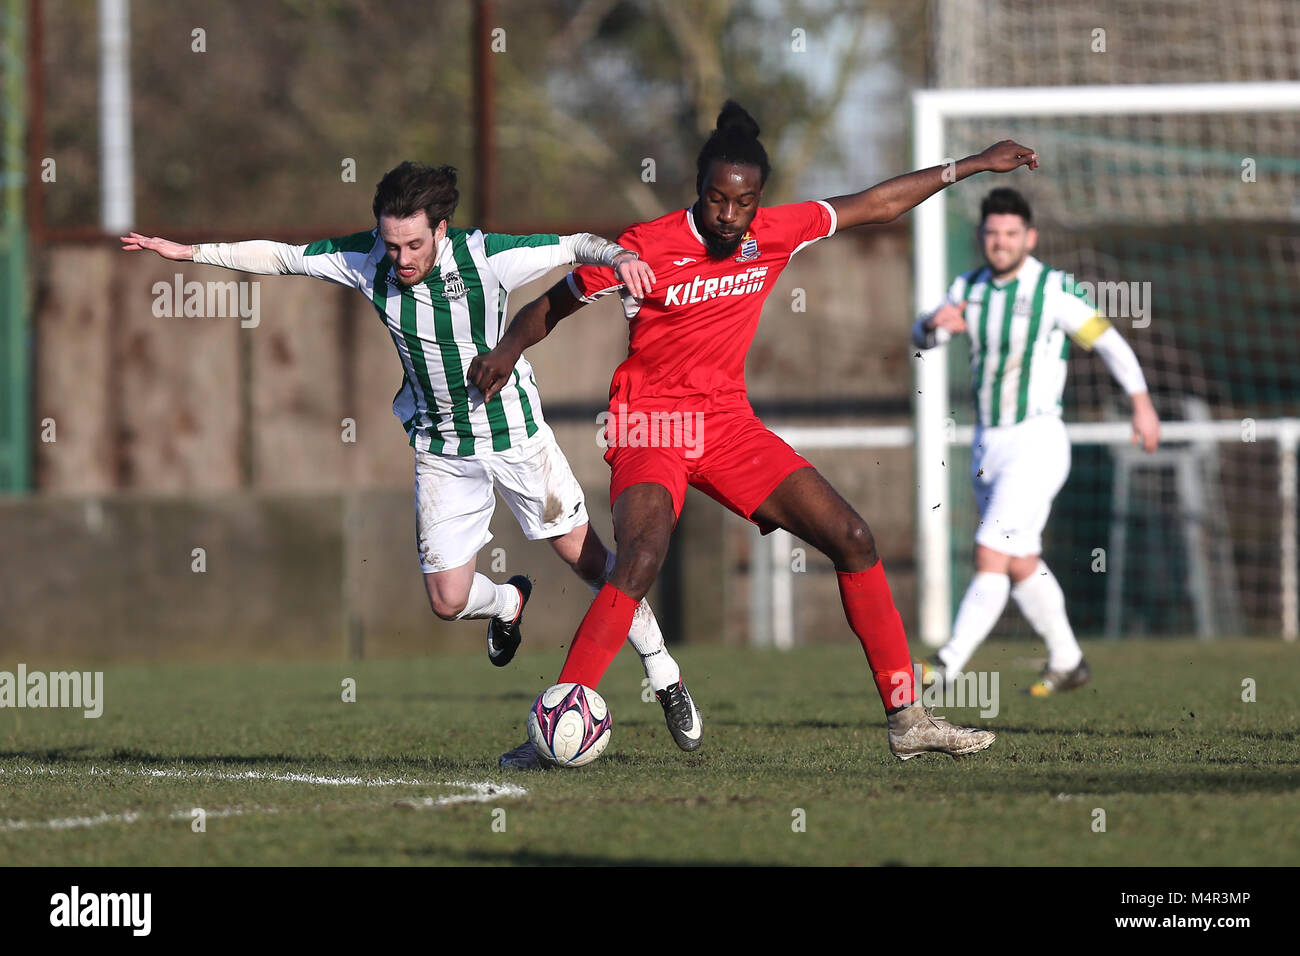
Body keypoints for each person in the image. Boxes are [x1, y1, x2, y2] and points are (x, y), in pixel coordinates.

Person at [469, 103, 1039, 760]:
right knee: (641, 556)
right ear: (699, 190)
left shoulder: (773, 233)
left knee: (852, 537)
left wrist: (971, 165)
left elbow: (877, 203)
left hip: (727, 426)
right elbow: (551, 303)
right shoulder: (645, 247)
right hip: (650, 424)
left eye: (743, 202)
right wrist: (507, 350)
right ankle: (559, 719)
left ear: (758, 200)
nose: (729, 215)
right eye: (717, 199)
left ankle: (907, 718)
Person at [120, 161, 700, 765]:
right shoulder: (366, 259)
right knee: (448, 601)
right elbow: (283, 256)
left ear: (442, 229)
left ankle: (666, 678)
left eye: (414, 244)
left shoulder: (486, 257)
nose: (400, 259)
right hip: (441, 449)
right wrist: (189, 252)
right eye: (392, 244)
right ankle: (507, 603)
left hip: (516, 438)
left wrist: (618, 258)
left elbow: (576, 244)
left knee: (592, 563)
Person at [912, 187, 1161, 695]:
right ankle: (1068, 660)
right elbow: (922, 337)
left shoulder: (1052, 289)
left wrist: (1141, 402)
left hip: (1038, 442)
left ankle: (945, 666)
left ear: (1030, 237)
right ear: (982, 236)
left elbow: (1109, 342)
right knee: (1020, 560)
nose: (1000, 243)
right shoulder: (968, 286)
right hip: (987, 445)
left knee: (989, 553)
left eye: (1010, 234)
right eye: (992, 234)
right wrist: (932, 326)